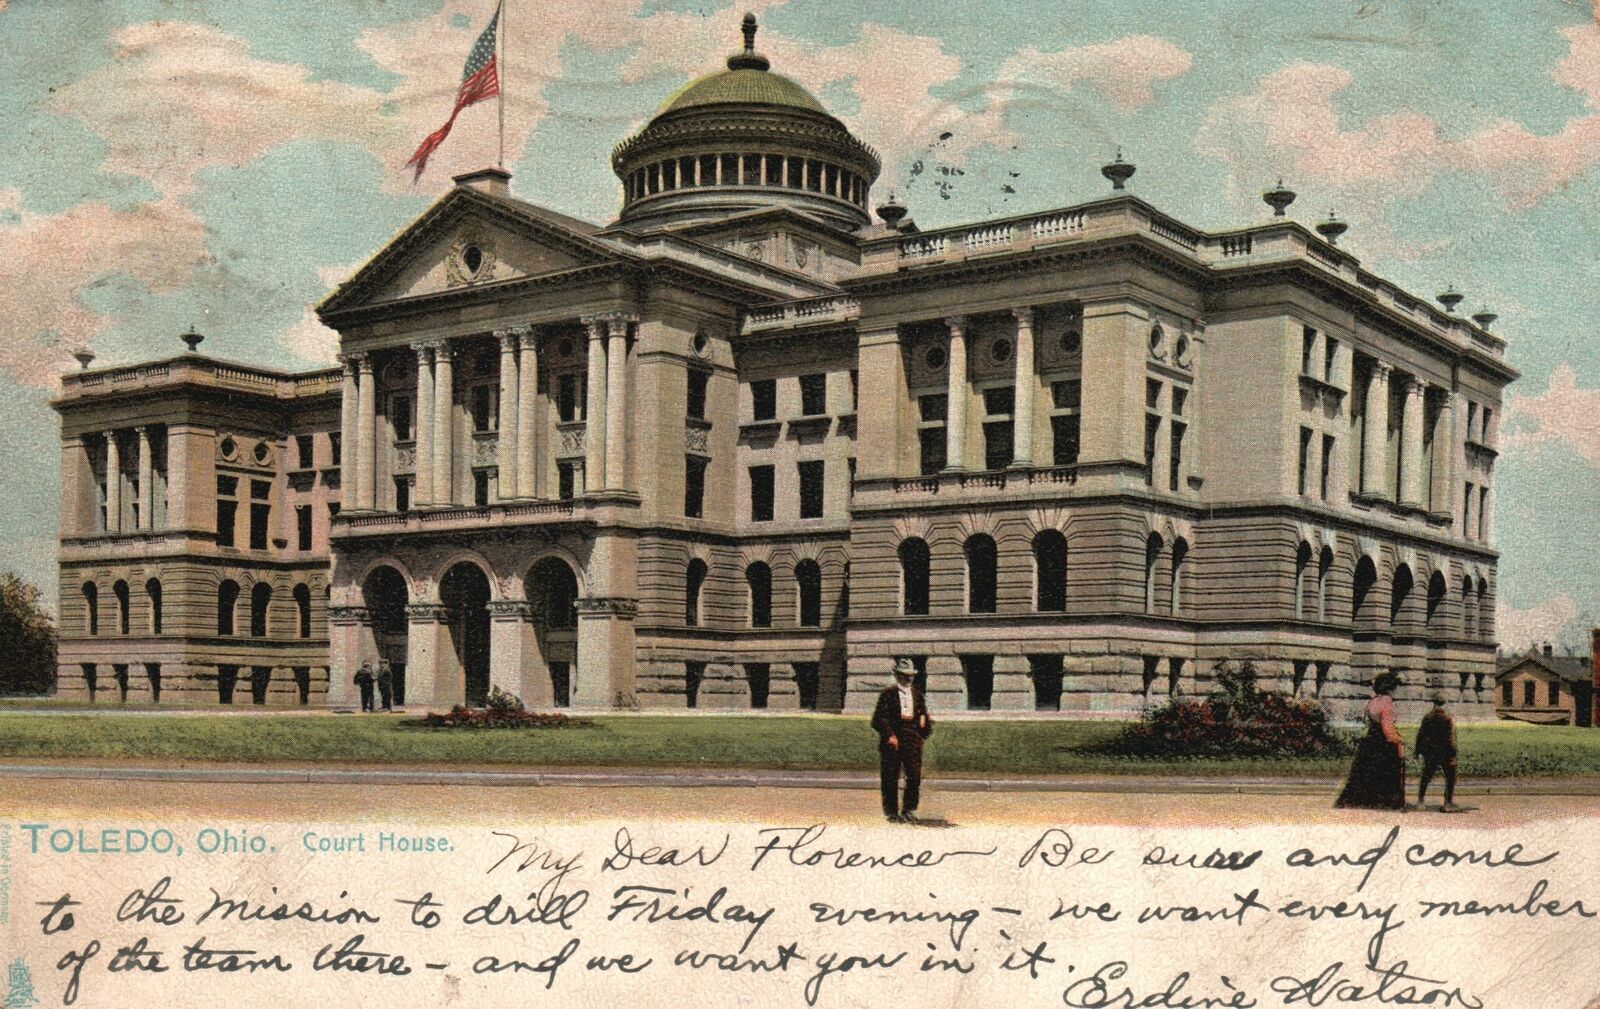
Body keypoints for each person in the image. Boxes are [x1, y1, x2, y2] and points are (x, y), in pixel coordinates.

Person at [871, 657, 934, 823]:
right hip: (893, 739)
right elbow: (878, 719)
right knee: (890, 777)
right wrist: (889, 735)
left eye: (911, 675)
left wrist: (923, 732)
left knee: (914, 776)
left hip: (912, 739)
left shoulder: (917, 694)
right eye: (905, 675)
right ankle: (892, 812)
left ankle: (909, 810)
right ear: (898, 675)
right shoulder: (888, 694)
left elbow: (923, 715)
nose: (908, 678)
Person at [1334, 672, 1406, 810]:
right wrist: (1400, 739)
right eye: (1395, 687)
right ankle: (1384, 803)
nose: (1397, 690)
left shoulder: (1373, 701)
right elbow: (1387, 729)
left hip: (1370, 742)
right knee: (1385, 775)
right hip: (1383, 744)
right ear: (1390, 688)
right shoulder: (1387, 702)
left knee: (1365, 774)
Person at [1415, 692, 1461, 811]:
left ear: (1434, 703)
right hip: (1446, 752)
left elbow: (1420, 735)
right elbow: (1451, 737)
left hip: (1430, 752)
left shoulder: (1428, 717)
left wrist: (1417, 751)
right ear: (1445, 703)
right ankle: (1448, 803)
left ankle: (1420, 801)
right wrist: (1453, 752)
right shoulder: (1448, 718)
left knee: (1426, 775)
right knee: (1450, 777)